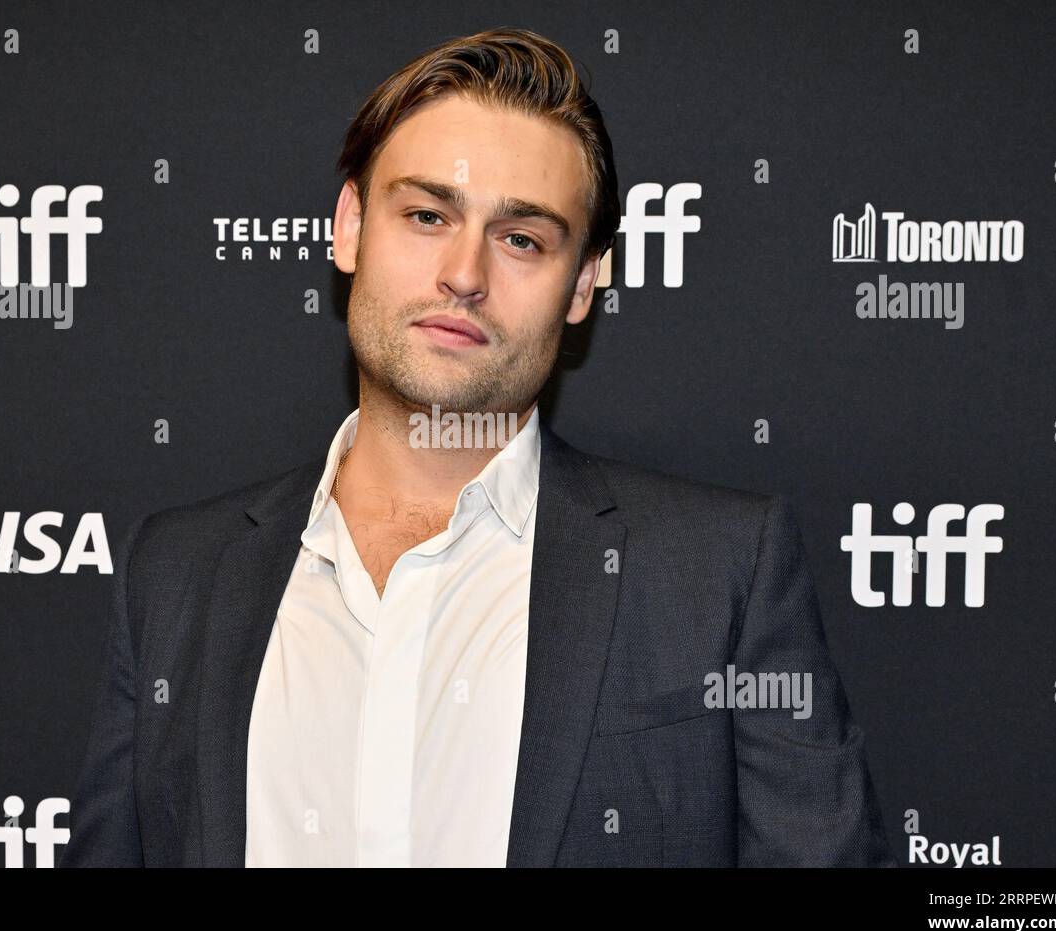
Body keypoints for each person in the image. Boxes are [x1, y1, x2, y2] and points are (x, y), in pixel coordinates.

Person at [60, 26, 896, 867]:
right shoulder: (174, 572)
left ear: (582, 284)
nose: (465, 273)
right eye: (427, 215)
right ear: (350, 226)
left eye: (522, 238)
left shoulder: (719, 575)